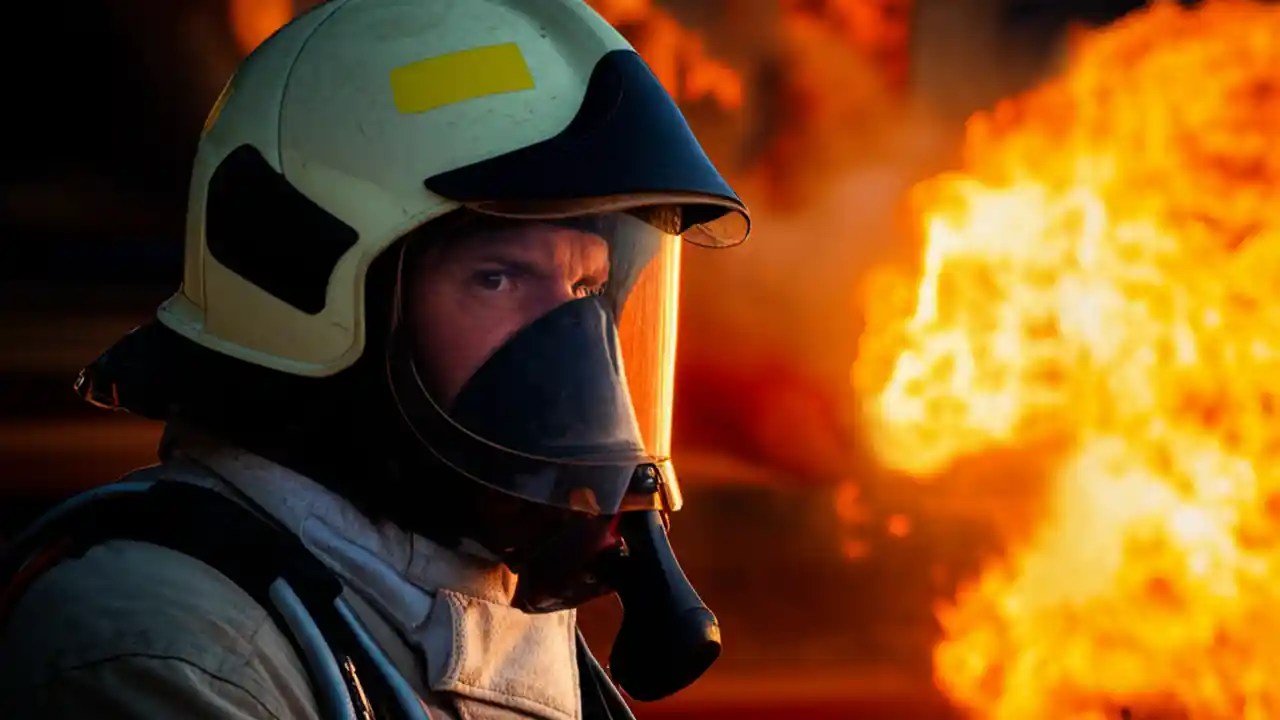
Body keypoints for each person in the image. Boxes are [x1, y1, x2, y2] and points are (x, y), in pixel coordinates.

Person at [0, 0, 750, 719]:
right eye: (500, 278)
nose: (576, 345)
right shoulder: (166, 647)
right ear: (307, 284)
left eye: (587, 285)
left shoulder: (474, 604)